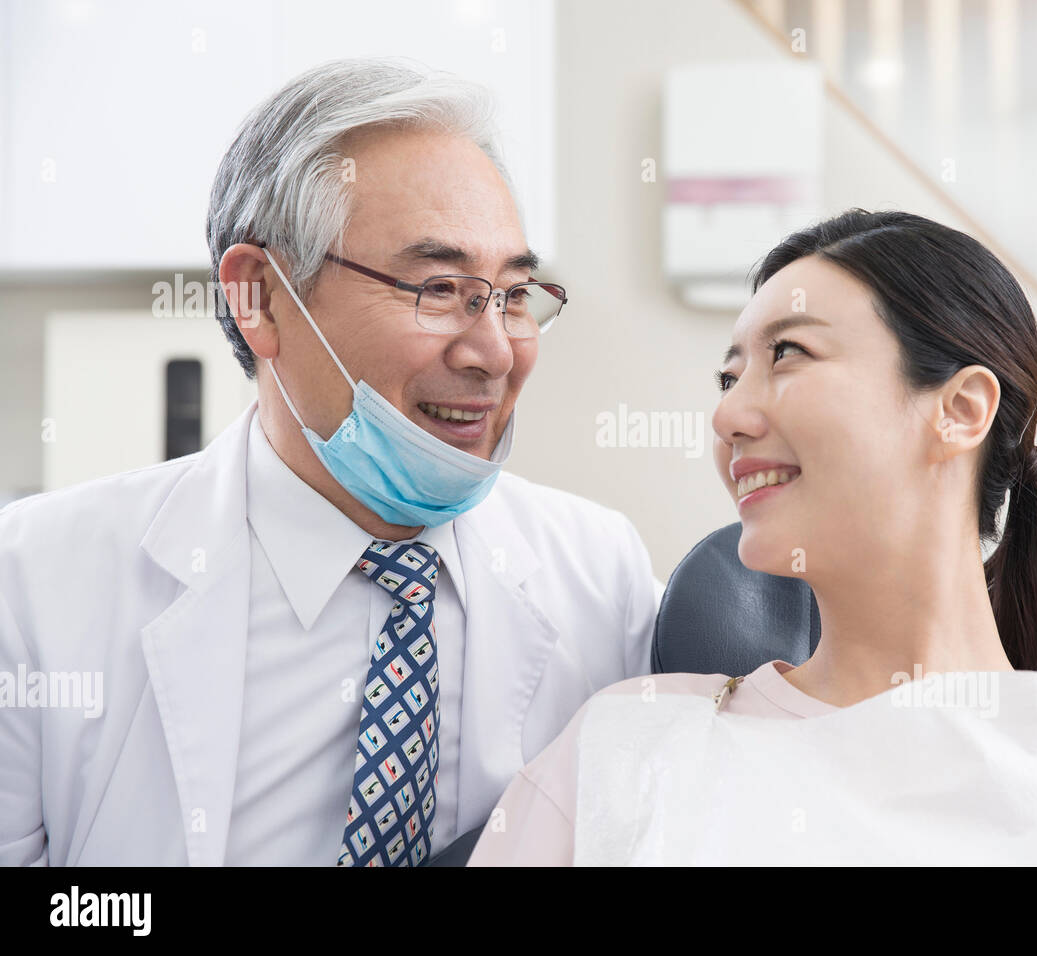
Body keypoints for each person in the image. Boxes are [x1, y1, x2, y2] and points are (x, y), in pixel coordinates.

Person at [468, 209, 1037, 866]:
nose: (727, 414)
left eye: (786, 354)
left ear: (960, 408)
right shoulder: (624, 753)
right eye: (727, 377)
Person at [0, 57, 662, 866]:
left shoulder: (603, 577)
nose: (494, 351)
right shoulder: (32, 587)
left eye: (515, 295)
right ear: (261, 297)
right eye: (440, 287)